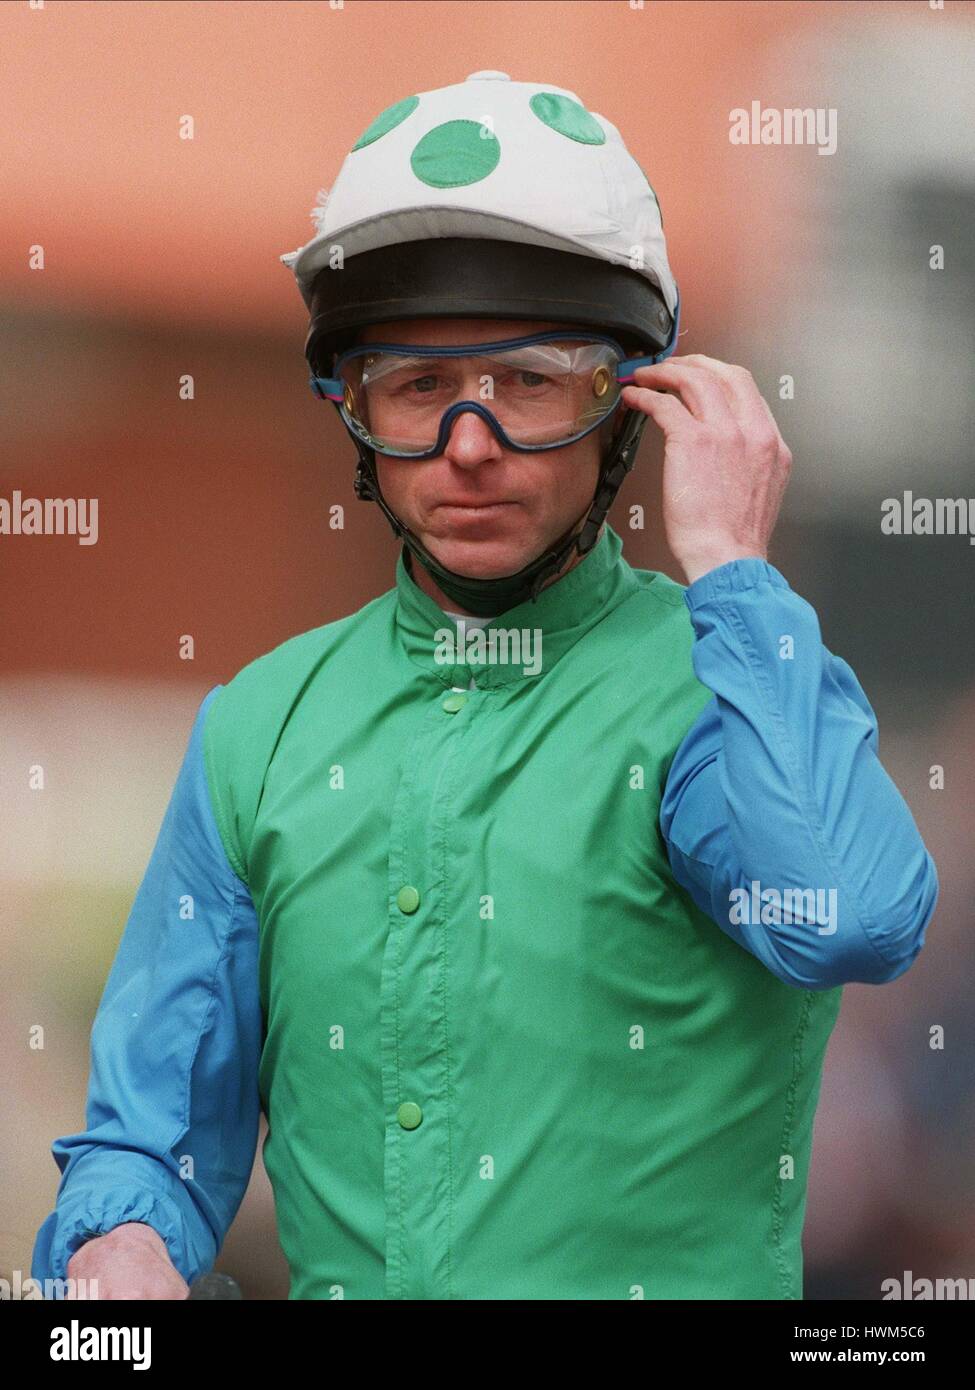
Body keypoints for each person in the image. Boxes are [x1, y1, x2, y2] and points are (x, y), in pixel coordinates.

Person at [33, 72, 938, 1301]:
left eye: (526, 383)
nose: (469, 445)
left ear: (627, 407)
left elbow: (852, 915)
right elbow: (149, 1132)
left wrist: (732, 567)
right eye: (416, 388)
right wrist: (120, 1243)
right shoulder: (259, 722)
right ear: (352, 411)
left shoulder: (715, 691)